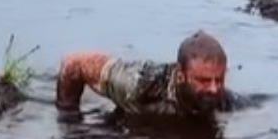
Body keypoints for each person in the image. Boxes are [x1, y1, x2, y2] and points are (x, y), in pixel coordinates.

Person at [54, 30, 233, 117]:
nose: (214, 89)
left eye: (219, 79)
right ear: (180, 75)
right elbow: (74, 63)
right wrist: (69, 117)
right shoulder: (138, 84)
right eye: (203, 80)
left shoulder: (222, 98)